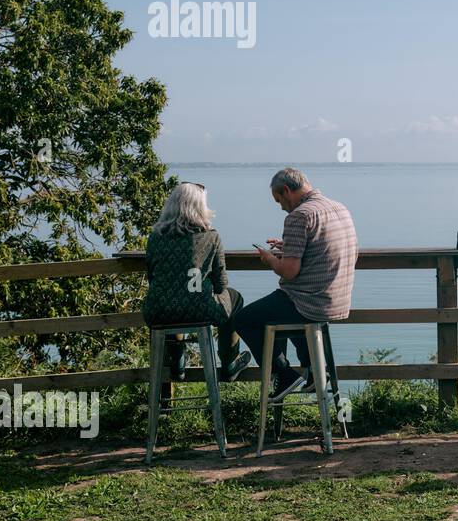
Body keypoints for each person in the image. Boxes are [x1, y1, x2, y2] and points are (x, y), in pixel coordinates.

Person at [233, 168, 358, 401]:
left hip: (309, 302)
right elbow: (322, 246)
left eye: (279, 200)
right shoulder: (339, 208)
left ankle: (284, 375)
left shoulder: (299, 216)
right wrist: (289, 246)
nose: (281, 206)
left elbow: (289, 272)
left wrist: (270, 258)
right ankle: (314, 371)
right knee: (283, 313)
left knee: (244, 319)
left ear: (287, 190)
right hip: (337, 300)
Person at [142, 182, 251, 380]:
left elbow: (152, 275)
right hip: (200, 310)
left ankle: (177, 362)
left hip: (157, 310)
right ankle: (229, 363)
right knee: (235, 299)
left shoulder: (155, 237)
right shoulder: (210, 237)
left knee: (173, 303)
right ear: (201, 206)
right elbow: (221, 285)